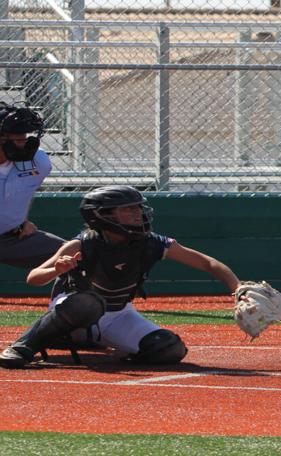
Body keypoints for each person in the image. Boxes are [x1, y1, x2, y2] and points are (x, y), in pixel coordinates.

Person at [0, 186, 240, 368]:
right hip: (75, 310)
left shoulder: (152, 242)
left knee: (168, 350)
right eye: (127, 209)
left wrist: (237, 288)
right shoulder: (82, 244)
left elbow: (208, 263)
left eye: (137, 207)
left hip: (118, 313)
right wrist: (57, 270)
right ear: (103, 215)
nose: (137, 214)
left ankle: (105, 343)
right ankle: (24, 346)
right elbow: (34, 277)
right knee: (88, 302)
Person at [0, 105, 66, 282]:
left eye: (25, 137)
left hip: (12, 237)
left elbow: (24, 192)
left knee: (74, 256)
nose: (25, 144)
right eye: (18, 139)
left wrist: (21, 221)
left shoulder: (39, 162)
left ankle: (66, 306)